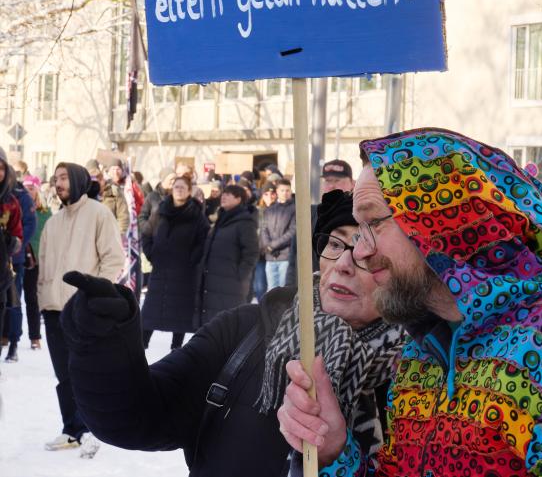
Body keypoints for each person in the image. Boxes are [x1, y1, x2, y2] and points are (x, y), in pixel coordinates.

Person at [278, 128, 542, 477]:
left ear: (442, 220)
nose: (360, 251)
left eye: (373, 222)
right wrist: (334, 452)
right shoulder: (421, 355)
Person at [60, 190, 405, 477]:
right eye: (334, 244)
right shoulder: (249, 329)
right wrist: (104, 342)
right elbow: (141, 414)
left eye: (364, 250)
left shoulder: (420, 366)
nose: (344, 263)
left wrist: (337, 456)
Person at [38, 162, 125, 458]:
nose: (58, 183)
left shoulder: (98, 214)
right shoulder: (52, 222)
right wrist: (43, 297)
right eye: (56, 177)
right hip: (53, 310)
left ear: (77, 180)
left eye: (64, 177)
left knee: (87, 373)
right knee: (64, 375)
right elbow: (44, 266)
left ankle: (92, 430)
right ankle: (71, 429)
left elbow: (113, 259)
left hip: (83, 310)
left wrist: (92, 295)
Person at [141, 176, 208, 350]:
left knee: (179, 317)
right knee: (149, 316)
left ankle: (175, 353)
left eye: (182, 187)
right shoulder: (160, 211)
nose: (179, 189)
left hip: (183, 274)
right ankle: (140, 350)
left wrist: (191, 260)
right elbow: (147, 233)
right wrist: (151, 254)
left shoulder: (196, 215)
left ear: (189, 191)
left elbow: (203, 242)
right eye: (176, 186)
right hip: (160, 270)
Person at [286, 159, 355, 287]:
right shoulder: (308, 213)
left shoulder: (359, 216)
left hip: (341, 288)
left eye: (337, 181)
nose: (331, 186)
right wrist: (289, 287)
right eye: (328, 181)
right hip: (306, 289)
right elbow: (294, 255)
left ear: (352, 183)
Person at [198, 184, 259, 325]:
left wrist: (239, 275)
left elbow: (251, 252)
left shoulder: (245, 222)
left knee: (226, 323)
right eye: (223, 194)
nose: (223, 196)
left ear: (239, 199)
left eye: (229, 194)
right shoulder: (221, 219)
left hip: (231, 284)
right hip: (213, 280)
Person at [0, 147, 35, 363]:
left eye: (2, 168)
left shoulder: (14, 200)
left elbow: (23, 229)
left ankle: (12, 342)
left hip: (8, 265)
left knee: (12, 303)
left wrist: (12, 243)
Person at [22, 174, 51, 349]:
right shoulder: (17, 207)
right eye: (25, 189)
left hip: (36, 261)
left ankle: (35, 337)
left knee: (32, 298)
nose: (28, 192)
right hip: (18, 259)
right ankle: (5, 335)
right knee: (11, 300)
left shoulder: (45, 213)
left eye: (31, 189)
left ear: (37, 191)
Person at [261, 180, 296, 289]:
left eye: (287, 190)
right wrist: (267, 245)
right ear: (277, 191)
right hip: (270, 257)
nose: (285, 193)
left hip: (285, 257)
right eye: (282, 190)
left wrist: (273, 245)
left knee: (282, 291)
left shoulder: (294, 209)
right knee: (270, 291)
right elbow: (264, 228)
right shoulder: (269, 209)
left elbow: (292, 232)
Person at [102, 161, 130, 237]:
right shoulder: (103, 186)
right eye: (113, 169)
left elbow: (123, 216)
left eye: (118, 169)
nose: (116, 172)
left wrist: (119, 235)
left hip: (115, 234)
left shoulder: (129, 184)